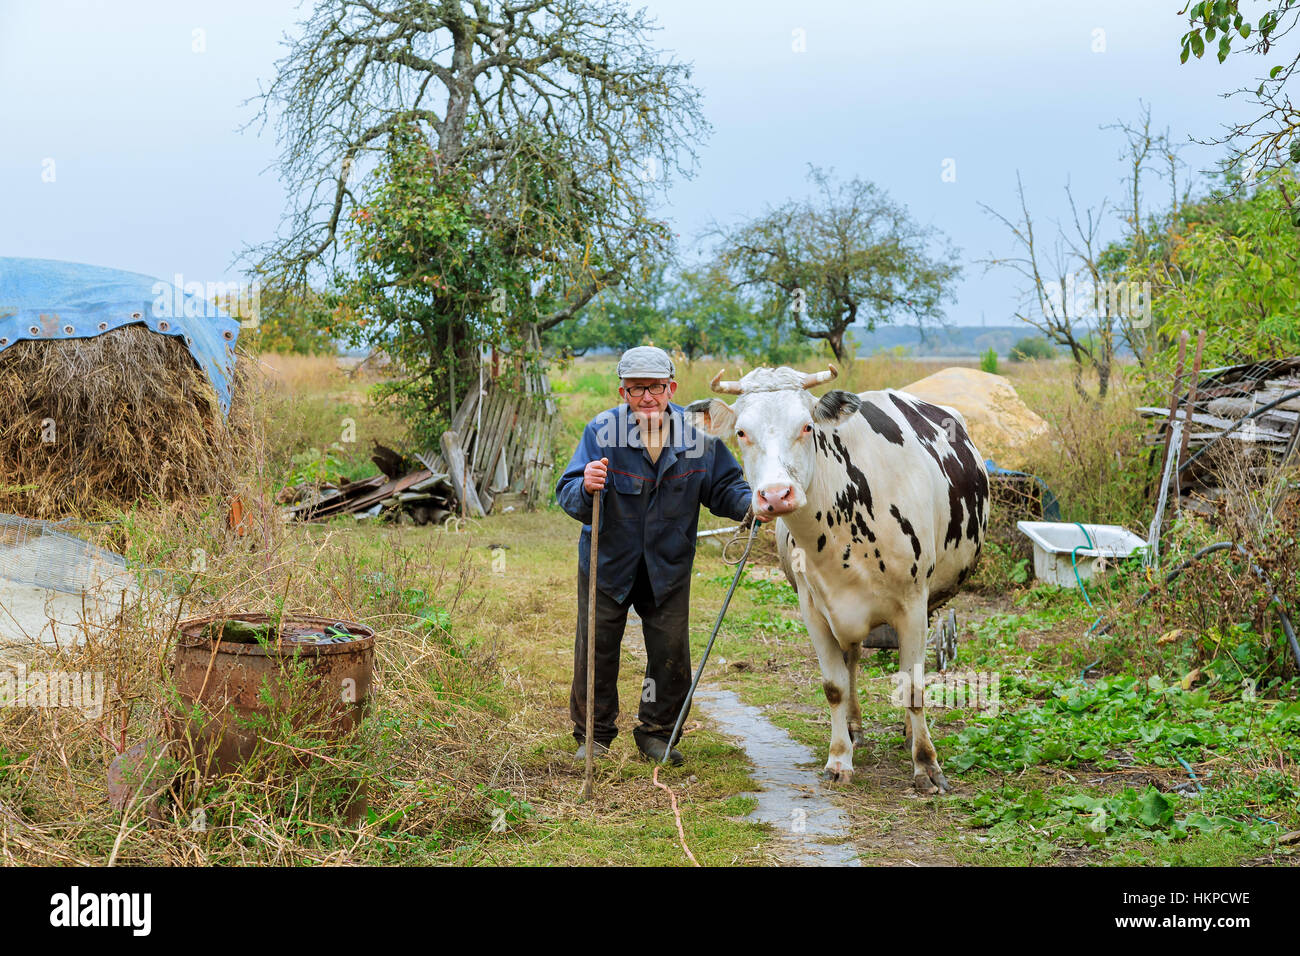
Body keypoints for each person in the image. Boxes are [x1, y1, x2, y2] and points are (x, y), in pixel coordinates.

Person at [555, 346, 762, 765]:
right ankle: (593, 736)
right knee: (596, 647)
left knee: (669, 652)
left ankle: (658, 734)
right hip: (608, 561)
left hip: (667, 564)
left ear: (672, 387)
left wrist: (751, 507)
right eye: (636, 390)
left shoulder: (698, 437)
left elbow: (723, 488)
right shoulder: (601, 431)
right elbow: (569, 492)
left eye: (655, 387)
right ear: (622, 391)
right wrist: (587, 485)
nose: (646, 397)